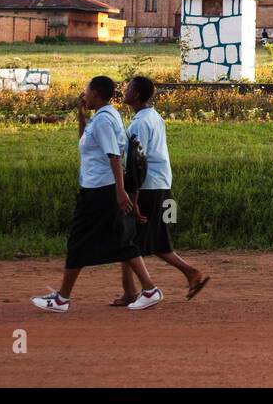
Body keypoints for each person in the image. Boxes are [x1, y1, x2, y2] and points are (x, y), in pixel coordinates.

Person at [31, 76, 163, 313]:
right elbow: (85, 141)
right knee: (120, 241)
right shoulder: (107, 115)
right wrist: (81, 115)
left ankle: (62, 299)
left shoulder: (103, 120)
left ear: (97, 93)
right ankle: (149, 289)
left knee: (80, 241)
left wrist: (120, 191)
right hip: (99, 187)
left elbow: (113, 155)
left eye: (87, 91)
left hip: (100, 190)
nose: (84, 94)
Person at [113, 75, 211, 304]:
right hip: (161, 182)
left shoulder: (139, 123)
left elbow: (138, 163)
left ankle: (139, 290)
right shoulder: (155, 117)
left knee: (131, 240)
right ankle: (133, 290)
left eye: (128, 89)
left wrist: (134, 200)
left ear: (136, 94)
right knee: (151, 240)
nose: (124, 92)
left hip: (148, 186)